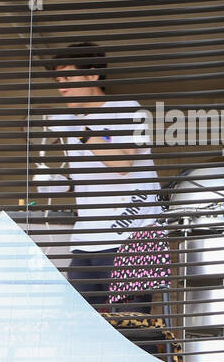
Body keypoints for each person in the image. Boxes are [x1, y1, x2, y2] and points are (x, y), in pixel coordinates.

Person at [44, 43, 162, 313]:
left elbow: (122, 162)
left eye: (69, 78)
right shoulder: (75, 121)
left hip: (135, 237)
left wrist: (80, 130)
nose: (62, 87)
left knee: (132, 330)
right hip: (86, 242)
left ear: (93, 75)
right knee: (82, 329)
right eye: (58, 81)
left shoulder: (127, 109)